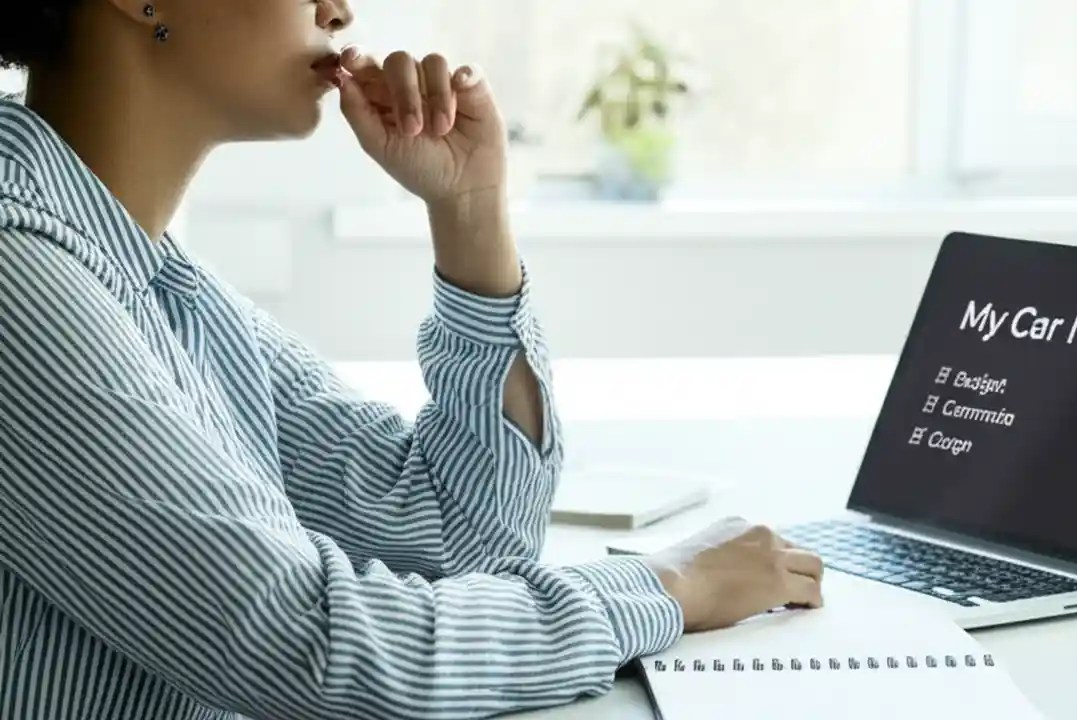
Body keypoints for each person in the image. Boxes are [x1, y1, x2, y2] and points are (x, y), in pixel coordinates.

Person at [0, 1, 825, 718]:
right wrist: (672, 588)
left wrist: (469, 215)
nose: (338, 9)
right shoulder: (21, 275)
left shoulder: (157, 282)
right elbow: (312, 644)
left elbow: (461, 538)